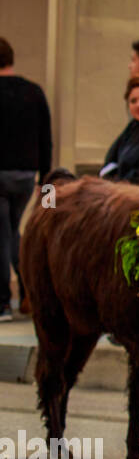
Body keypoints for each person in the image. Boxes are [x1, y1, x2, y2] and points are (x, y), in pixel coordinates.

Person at [0, 37, 52, 321]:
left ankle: (3, 303)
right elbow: (46, 140)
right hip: (25, 177)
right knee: (11, 232)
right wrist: (47, 184)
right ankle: (30, 290)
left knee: (2, 236)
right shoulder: (33, 92)